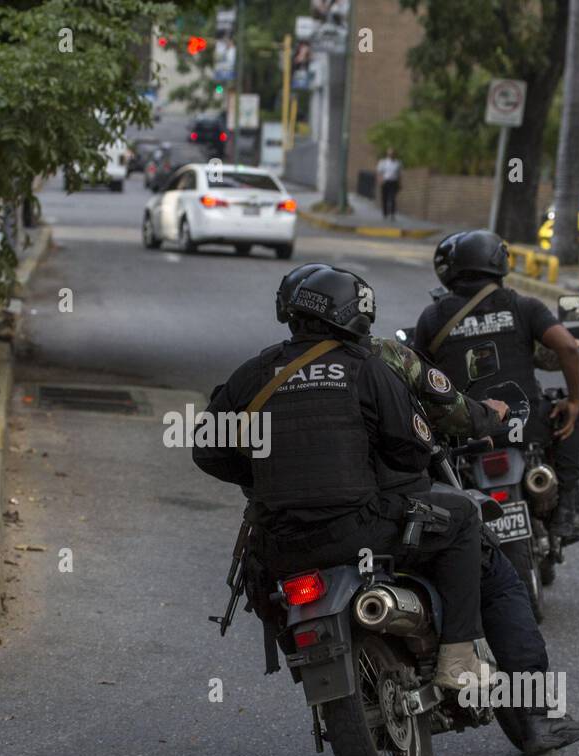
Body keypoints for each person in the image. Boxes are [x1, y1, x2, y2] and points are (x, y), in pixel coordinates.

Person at [194, 265, 490, 694]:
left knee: (264, 579)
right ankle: (458, 660)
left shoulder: (254, 373)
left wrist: (261, 475)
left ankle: (304, 655)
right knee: (462, 515)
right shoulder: (367, 368)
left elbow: (207, 451)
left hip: (281, 543)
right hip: (360, 529)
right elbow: (411, 451)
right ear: (356, 315)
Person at [414, 230, 579, 541]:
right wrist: (574, 401)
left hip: (466, 434)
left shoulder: (433, 317)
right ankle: (567, 510)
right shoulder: (524, 307)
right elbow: (567, 348)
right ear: (499, 264)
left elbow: (418, 378)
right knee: (573, 414)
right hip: (525, 425)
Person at [377, 149, 402, 220]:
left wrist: (400, 183)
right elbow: (379, 173)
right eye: (390, 154)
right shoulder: (383, 162)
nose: (391, 155)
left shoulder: (398, 163)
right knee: (384, 198)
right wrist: (380, 181)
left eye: (393, 154)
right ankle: (385, 213)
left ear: (395, 154)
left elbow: (399, 174)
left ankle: (392, 214)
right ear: (387, 155)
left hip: (394, 182)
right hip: (385, 182)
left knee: (393, 198)